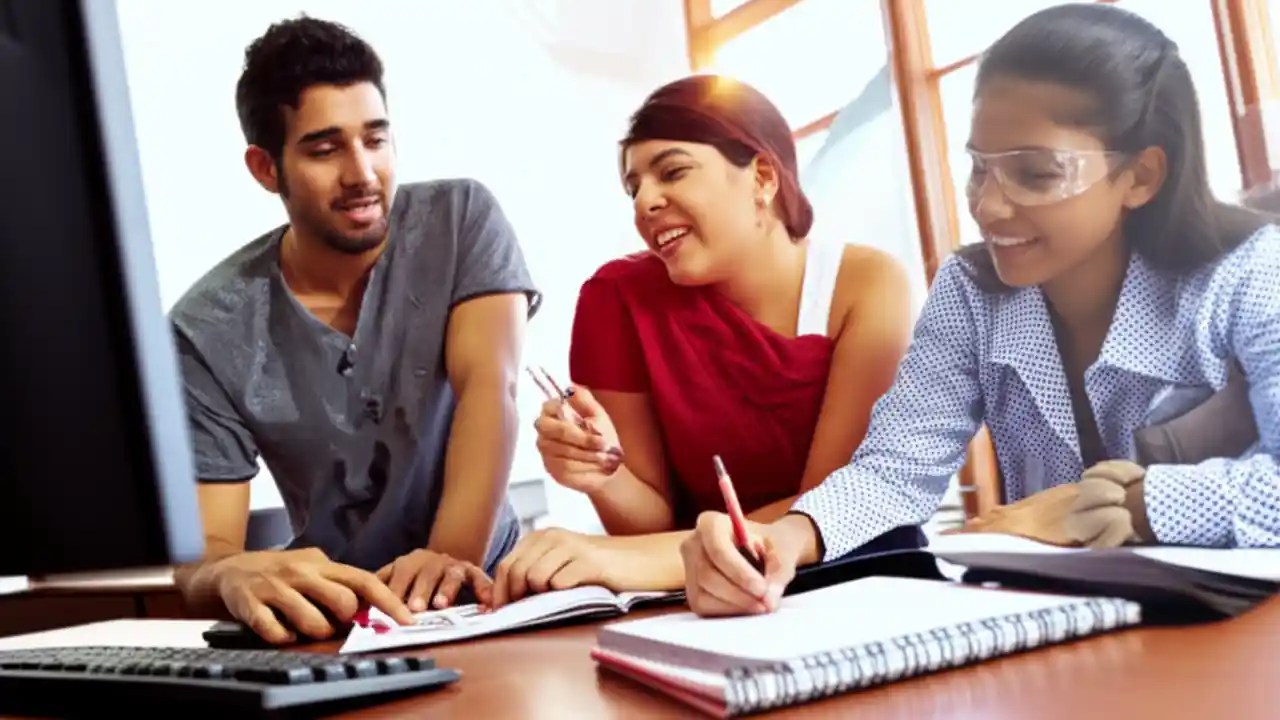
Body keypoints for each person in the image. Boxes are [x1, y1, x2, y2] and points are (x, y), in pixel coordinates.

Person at [680, 3, 1280, 617]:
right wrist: (786, 538)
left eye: (1035, 174)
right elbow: (894, 471)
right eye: (979, 169)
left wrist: (1128, 506)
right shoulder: (971, 291)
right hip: (1059, 633)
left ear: (1142, 176)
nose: (988, 208)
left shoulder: (1251, 273)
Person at [170, 16, 540, 643]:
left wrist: (447, 560)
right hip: (338, 624)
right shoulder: (205, 328)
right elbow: (208, 547)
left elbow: (491, 388)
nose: (362, 173)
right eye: (324, 149)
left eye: (375, 139)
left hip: (498, 591)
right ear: (265, 168)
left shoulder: (461, 219)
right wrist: (228, 577)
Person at [489, 75, 920, 606]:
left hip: (860, 582)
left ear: (762, 176)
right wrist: (601, 473)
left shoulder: (869, 284)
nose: (645, 201)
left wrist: (621, 561)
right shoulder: (617, 300)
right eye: (633, 188)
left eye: (672, 172)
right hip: (708, 598)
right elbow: (645, 524)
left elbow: (837, 505)